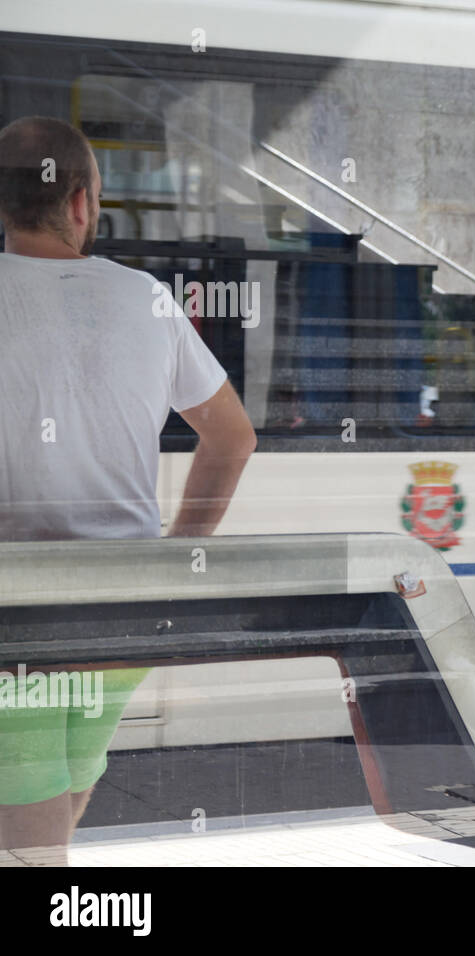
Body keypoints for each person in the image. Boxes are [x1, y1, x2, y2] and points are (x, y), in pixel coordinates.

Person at [0, 116, 257, 864]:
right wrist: (183, 555)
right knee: (68, 782)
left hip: (17, 610)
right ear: (80, 203)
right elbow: (231, 438)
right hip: (125, 606)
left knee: (29, 813)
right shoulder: (147, 298)